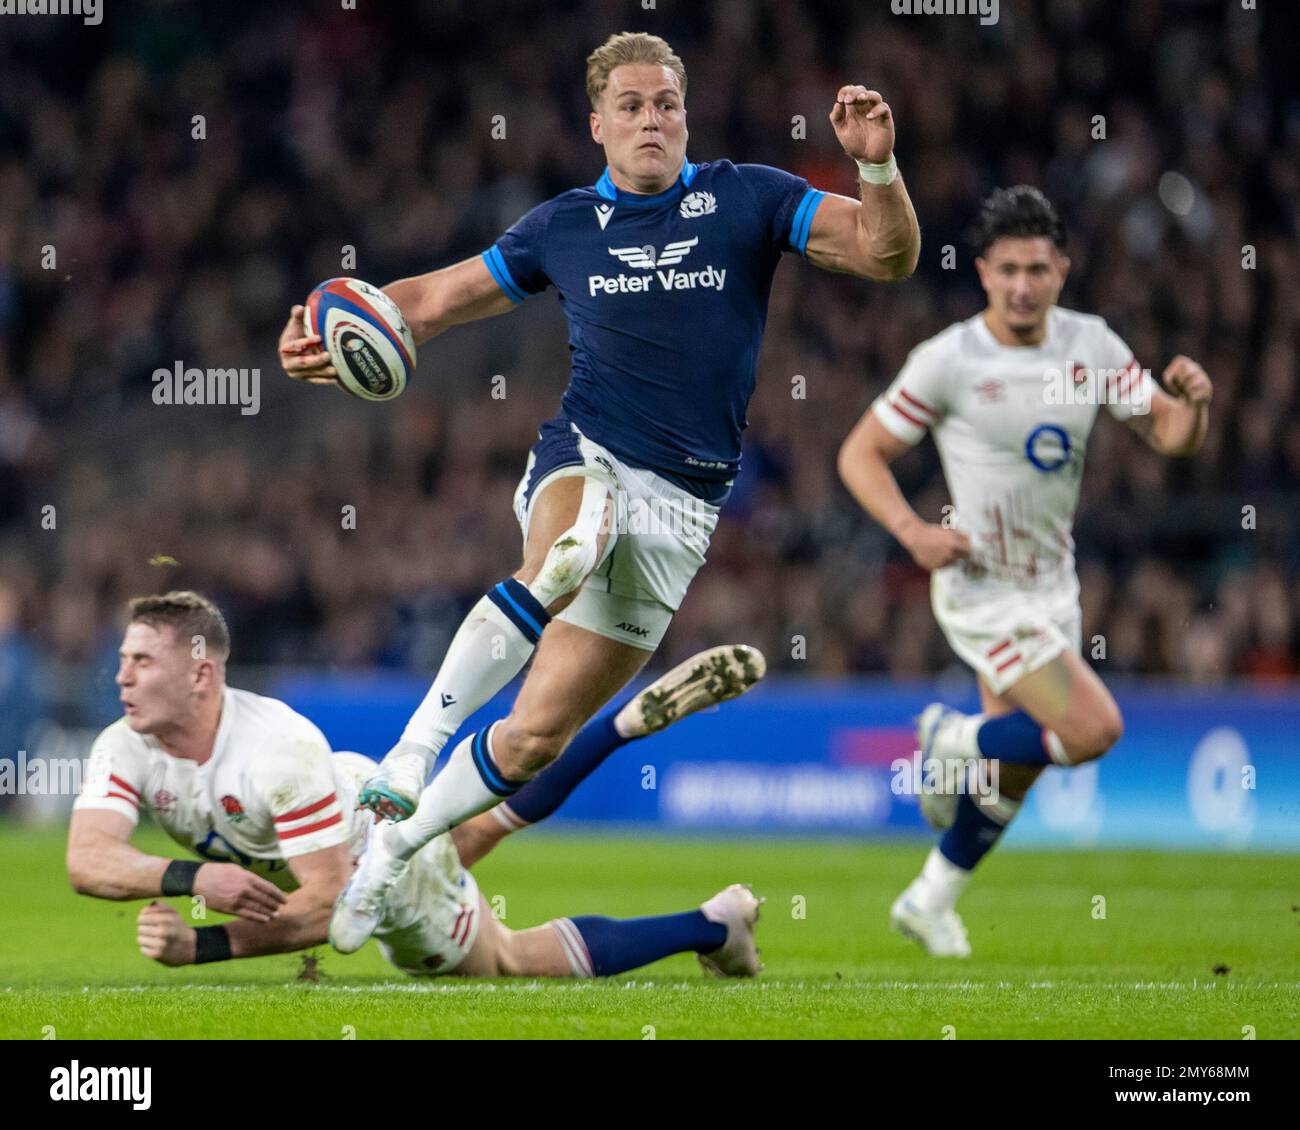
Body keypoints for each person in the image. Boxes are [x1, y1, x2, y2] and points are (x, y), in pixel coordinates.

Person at [278, 31, 920, 951]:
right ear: (598, 125)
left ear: (685, 115)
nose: (651, 119)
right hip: (587, 453)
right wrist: (323, 325)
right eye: (631, 106)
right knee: (569, 548)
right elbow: (430, 302)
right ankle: (412, 754)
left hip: (685, 508)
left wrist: (881, 167)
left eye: (666, 104)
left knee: (534, 736)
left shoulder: (748, 197)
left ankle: (394, 847)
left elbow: (886, 255)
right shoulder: (563, 226)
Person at [837, 186, 1212, 956]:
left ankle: (929, 898)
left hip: (1053, 585)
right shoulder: (948, 360)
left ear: (1062, 270)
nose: (1022, 285)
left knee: (1015, 768)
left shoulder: (1091, 345)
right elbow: (859, 453)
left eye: (1037, 269)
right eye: (1008, 269)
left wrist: (1195, 405)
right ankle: (949, 738)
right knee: (1092, 729)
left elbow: (1169, 435)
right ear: (982, 272)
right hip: (982, 589)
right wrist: (911, 530)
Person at [69, 590, 767, 977]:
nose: (122, 675)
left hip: (380, 866)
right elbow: (87, 858)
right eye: (123, 659)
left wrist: (205, 945)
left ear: (201, 674)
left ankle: (710, 926)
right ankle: (617, 728)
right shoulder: (125, 744)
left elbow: (326, 909)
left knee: (509, 962)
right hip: (356, 799)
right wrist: (191, 880)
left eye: (142, 661)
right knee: (475, 825)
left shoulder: (274, 751)